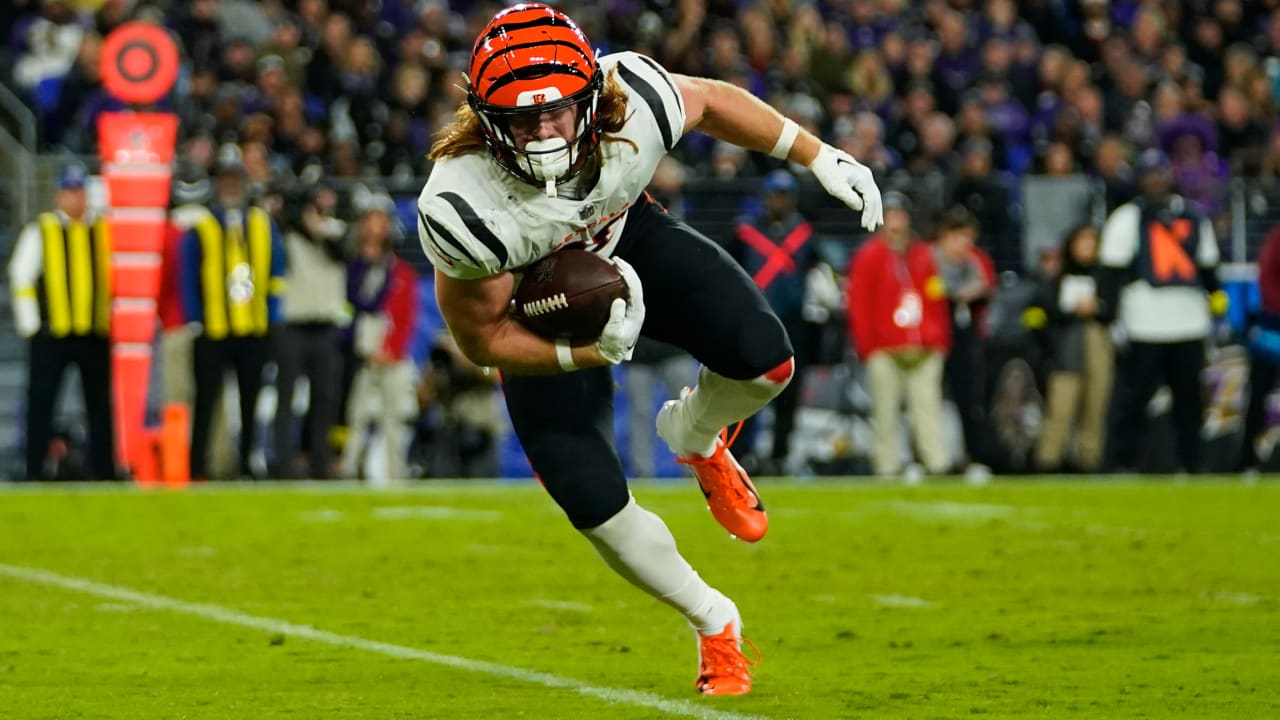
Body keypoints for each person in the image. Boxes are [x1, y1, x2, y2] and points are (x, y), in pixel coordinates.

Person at [416, 4, 882, 696]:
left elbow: (715, 102)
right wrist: (584, 355)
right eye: (522, 120)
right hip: (538, 315)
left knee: (768, 360)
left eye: (557, 115)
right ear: (486, 121)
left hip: (625, 240)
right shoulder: (462, 204)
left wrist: (817, 155)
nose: (544, 134)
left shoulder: (632, 97)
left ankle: (695, 436)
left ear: (591, 99)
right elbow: (479, 337)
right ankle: (715, 621)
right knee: (595, 505)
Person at [1100, 149, 1225, 474]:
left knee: (1189, 403)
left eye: (1160, 173)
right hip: (1145, 323)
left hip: (1189, 322)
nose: (1156, 180)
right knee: (1134, 401)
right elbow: (1111, 275)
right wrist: (1112, 319)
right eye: (1149, 174)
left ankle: (1192, 465)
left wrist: (1218, 311)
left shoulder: (1196, 217)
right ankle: (1123, 464)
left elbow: (1210, 273)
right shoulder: (1127, 218)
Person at [181, 145, 287, 480]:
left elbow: (277, 271)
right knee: (206, 401)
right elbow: (187, 275)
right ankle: (197, 466)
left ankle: (245, 465)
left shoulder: (261, 223)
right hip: (213, 328)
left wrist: (272, 315)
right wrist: (195, 317)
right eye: (225, 181)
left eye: (234, 181)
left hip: (253, 328)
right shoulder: (201, 227)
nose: (230, 187)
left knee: (251, 400)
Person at [8, 163, 116, 480]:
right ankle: (33, 469)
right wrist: (31, 324)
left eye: (79, 191)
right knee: (41, 402)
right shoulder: (42, 230)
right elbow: (21, 275)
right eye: (69, 192)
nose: (75, 199)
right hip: (52, 333)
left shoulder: (103, 229)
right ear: (58, 195)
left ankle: (104, 471)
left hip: (94, 331)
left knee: (99, 405)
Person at [846, 192, 952, 480]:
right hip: (884, 347)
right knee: (885, 412)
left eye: (899, 215)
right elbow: (859, 303)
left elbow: (936, 298)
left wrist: (939, 339)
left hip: (924, 346)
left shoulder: (922, 254)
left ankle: (936, 463)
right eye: (890, 215)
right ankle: (887, 466)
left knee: (928, 409)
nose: (895, 221)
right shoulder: (869, 255)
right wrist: (867, 346)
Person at [731, 170, 815, 475]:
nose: (779, 201)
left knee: (788, 394)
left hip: (793, 323)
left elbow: (816, 274)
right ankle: (741, 453)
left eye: (784, 195)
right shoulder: (745, 233)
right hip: (756, 320)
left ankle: (780, 454)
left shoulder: (805, 233)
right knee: (748, 390)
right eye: (774, 195)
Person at [339, 196, 420, 485]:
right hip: (359, 355)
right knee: (357, 417)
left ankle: (395, 475)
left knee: (394, 420)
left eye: (381, 220)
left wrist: (392, 350)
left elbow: (406, 318)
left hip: (391, 359)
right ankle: (349, 472)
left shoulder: (401, 273)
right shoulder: (349, 266)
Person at [272, 184, 347, 479]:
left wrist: (318, 228)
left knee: (324, 398)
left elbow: (341, 252)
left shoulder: (336, 231)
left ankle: (320, 459)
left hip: (326, 326)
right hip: (293, 326)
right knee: (286, 396)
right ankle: (282, 461)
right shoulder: (289, 236)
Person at [1035, 224, 1115, 473]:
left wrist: (1097, 309)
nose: (1087, 248)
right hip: (1066, 343)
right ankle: (1048, 459)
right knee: (1061, 406)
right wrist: (1070, 311)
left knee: (1095, 405)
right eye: (1082, 242)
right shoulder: (1057, 277)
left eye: (1092, 243)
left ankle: (1088, 460)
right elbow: (1045, 310)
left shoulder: (1105, 276)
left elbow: (1113, 309)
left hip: (1098, 341)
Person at [932, 205, 997, 478]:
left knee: (969, 400)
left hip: (966, 337)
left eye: (969, 238)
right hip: (934, 337)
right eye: (960, 237)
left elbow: (988, 288)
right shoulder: (927, 260)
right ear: (945, 236)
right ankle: (933, 458)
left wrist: (974, 294)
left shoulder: (975, 262)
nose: (965, 245)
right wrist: (953, 295)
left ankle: (973, 457)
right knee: (931, 401)